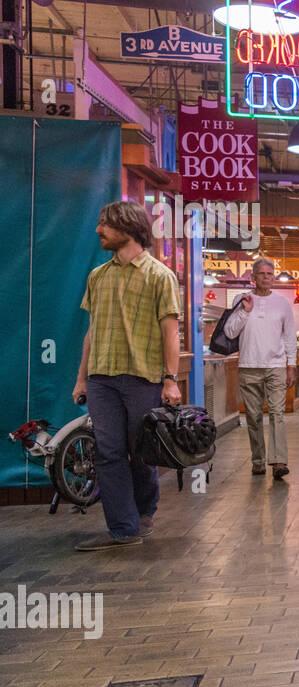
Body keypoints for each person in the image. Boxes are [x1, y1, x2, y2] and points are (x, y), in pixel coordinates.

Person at [72, 200, 183, 551]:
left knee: (142, 452)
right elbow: (92, 331)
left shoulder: (160, 276)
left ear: (128, 227)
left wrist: (171, 379)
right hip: (101, 379)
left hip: (143, 379)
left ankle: (144, 513)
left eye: (105, 223)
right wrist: (81, 378)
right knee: (108, 454)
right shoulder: (98, 276)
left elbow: (170, 332)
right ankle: (123, 528)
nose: (98, 230)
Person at [223, 258, 296, 479]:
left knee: (277, 414)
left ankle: (279, 461)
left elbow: (290, 336)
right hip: (248, 366)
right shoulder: (241, 299)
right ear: (253, 277)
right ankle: (258, 460)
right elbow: (229, 332)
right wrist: (245, 311)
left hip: (275, 366)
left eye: (270, 273)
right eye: (262, 273)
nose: (266, 277)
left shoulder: (283, 303)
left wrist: (291, 365)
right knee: (254, 417)